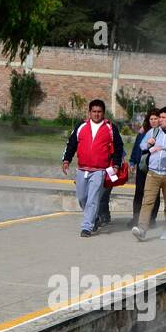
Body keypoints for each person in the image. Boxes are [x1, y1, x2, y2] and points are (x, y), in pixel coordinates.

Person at [61, 99, 125, 237]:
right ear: (89, 112)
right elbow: (71, 143)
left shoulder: (110, 128)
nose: (96, 114)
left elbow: (119, 147)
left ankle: (87, 227)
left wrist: (116, 164)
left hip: (99, 171)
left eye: (99, 112)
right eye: (94, 111)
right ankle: (94, 217)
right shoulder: (81, 126)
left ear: (103, 113)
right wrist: (66, 159)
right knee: (82, 198)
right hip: (82, 169)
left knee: (93, 199)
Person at [132, 106, 166, 242]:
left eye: (163, 117)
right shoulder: (154, 131)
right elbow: (142, 146)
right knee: (147, 201)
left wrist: (163, 147)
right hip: (153, 172)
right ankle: (142, 229)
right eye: (159, 117)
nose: (160, 120)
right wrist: (148, 143)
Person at [128, 109, 160, 229]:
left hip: (155, 168)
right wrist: (132, 161)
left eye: (156, 118)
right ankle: (136, 218)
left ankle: (151, 219)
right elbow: (137, 148)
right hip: (142, 167)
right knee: (139, 192)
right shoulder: (143, 133)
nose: (153, 121)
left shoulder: (162, 133)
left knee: (154, 194)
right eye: (151, 119)